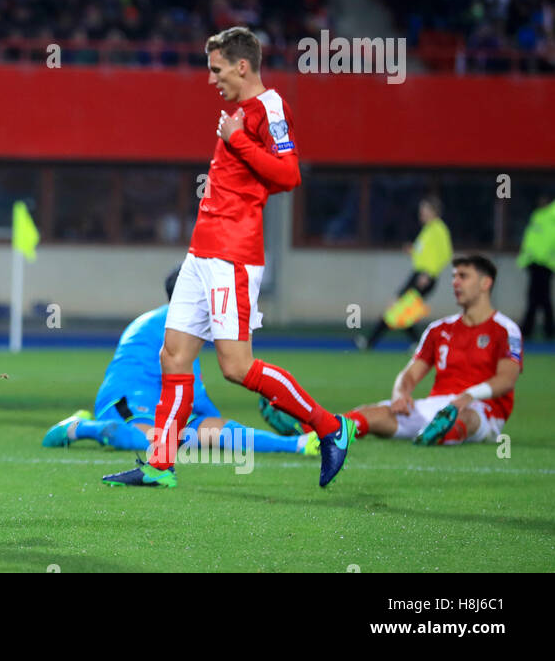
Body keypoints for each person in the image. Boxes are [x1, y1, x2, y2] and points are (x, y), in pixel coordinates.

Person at [103, 26, 354, 489]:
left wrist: (237, 139)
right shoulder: (240, 112)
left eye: (217, 70)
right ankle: (160, 465)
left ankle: (329, 426)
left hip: (232, 256)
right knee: (173, 356)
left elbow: (289, 174)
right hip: (202, 254)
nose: (211, 79)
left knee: (236, 367)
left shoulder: (268, 108)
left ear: (243, 65)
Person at [43, 267, 318, 457]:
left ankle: (298, 444)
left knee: (220, 434)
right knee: (145, 442)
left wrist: (214, 424)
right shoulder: (168, 325)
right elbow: (193, 389)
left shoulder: (183, 326)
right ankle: (77, 427)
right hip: (126, 401)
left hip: (165, 407)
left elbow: (192, 390)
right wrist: (207, 423)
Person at [265, 256, 521, 447]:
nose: (455, 282)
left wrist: (466, 396)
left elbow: (506, 379)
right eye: (453, 276)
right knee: (372, 413)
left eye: (463, 276)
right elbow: (409, 374)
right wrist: (401, 393)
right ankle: (311, 430)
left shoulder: (505, 329)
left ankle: (439, 434)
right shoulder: (439, 329)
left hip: (482, 410)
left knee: (466, 418)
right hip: (436, 408)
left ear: (486, 283)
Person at [360, 196, 452, 350]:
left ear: (434, 211)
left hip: (424, 276)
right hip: (418, 274)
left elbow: (445, 254)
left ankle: (371, 342)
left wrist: (429, 274)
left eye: (425, 209)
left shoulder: (438, 229)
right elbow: (426, 254)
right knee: (402, 311)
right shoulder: (428, 230)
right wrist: (413, 250)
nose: (421, 212)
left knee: (398, 308)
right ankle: (417, 343)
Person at [518, 194, 555, 341]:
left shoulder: (551, 216)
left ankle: (542, 329)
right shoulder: (537, 216)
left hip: (546, 264)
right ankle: (538, 329)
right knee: (536, 298)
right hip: (534, 264)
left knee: (541, 299)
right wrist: (526, 259)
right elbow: (531, 240)